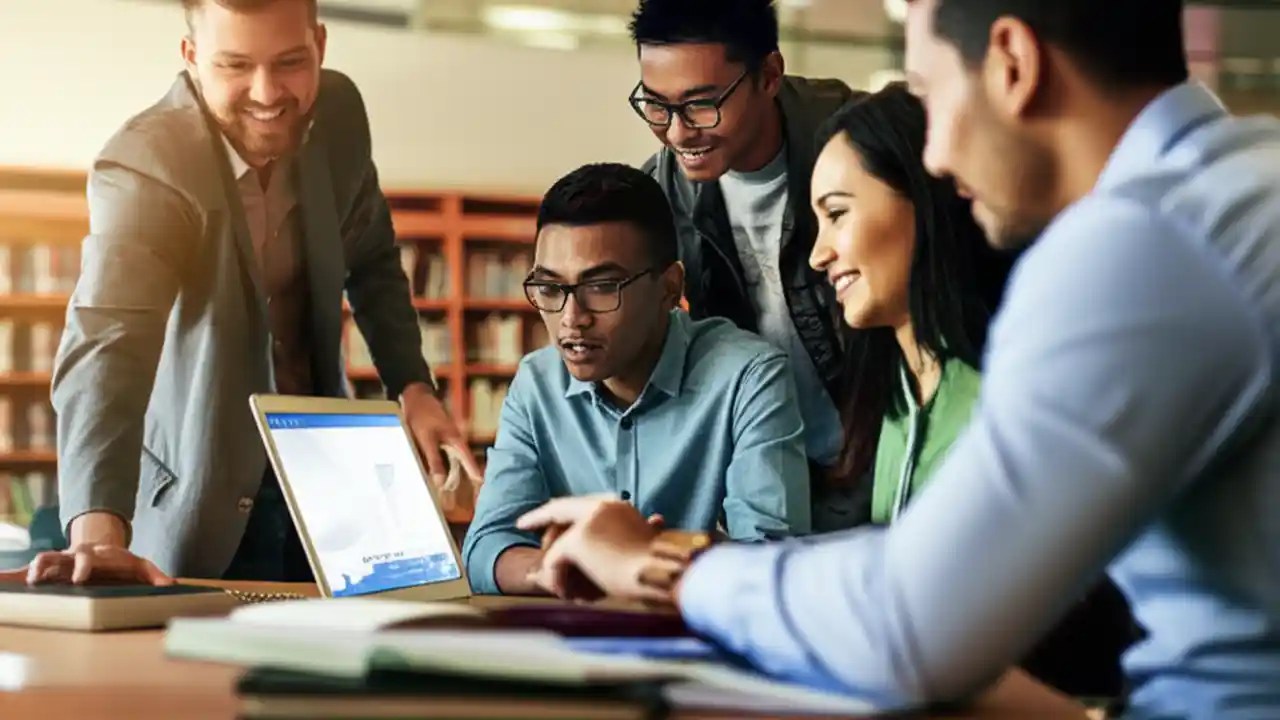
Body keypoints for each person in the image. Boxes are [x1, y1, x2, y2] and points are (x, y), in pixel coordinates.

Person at [513, 1, 1280, 717]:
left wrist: (657, 563)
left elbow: (912, 625)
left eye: (929, 92)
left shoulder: (1142, 246)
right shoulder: (1244, 183)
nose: (937, 156)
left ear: (1012, 63)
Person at [14, 0, 479, 586]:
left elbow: (374, 261)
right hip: (201, 487)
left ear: (320, 45)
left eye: (289, 62)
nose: (266, 93)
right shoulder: (148, 162)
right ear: (191, 57)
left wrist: (413, 385)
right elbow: (110, 345)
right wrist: (97, 535)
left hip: (322, 477)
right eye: (235, 65)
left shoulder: (338, 116)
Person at [461, 163, 810, 596]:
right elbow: (484, 547)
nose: (572, 319)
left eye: (603, 286)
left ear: (669, 287)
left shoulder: (749, 377)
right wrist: (550, 570)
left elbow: (771, 558)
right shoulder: (536, 384)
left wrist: (639, 563)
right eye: (551, 288)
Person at [629, 0, 862, 528]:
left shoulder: (857, 142)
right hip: (777, 477)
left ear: (770, 75)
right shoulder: (662, 193)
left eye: (702, 104)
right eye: (656, 106)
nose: (678, 132)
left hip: (893, 457)